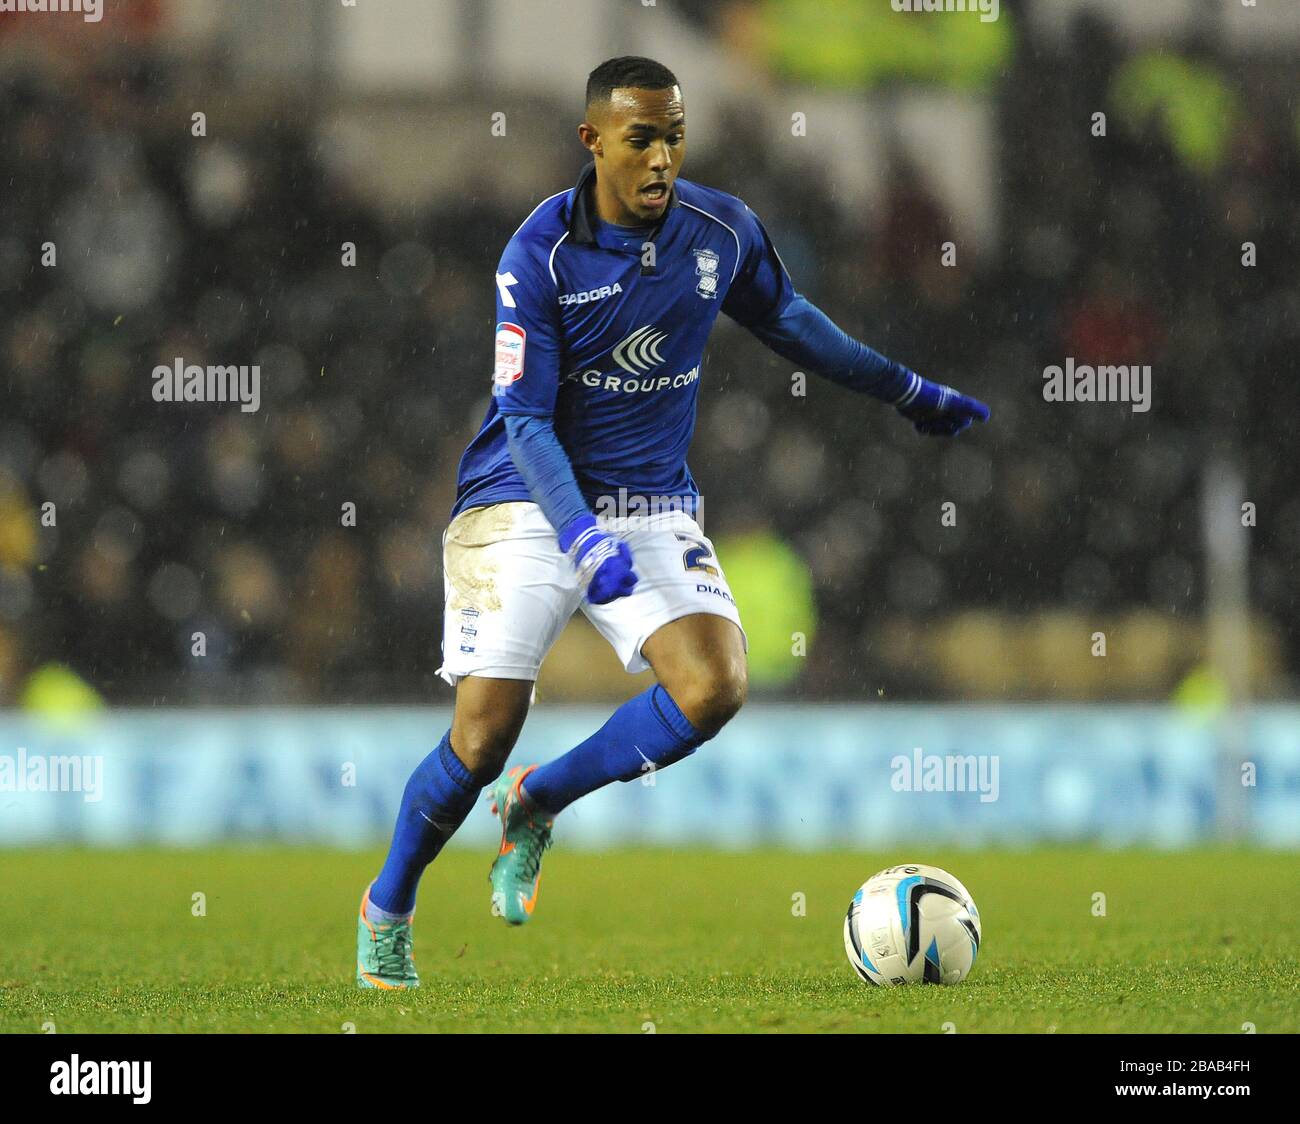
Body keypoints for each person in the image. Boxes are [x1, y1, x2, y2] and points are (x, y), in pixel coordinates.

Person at [356, 55, 989, 989]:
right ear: (593, 140)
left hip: (649, 503)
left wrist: (905, 388)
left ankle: (540, 802)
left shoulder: (718, 230)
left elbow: (795, 323)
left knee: (715, 685)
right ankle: (388, 906)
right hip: (526, 501)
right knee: (483, 735)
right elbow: (526, 422)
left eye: (675, 136)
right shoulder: (538, 255)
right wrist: (580, 537)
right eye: (642, 137)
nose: (662, 158)